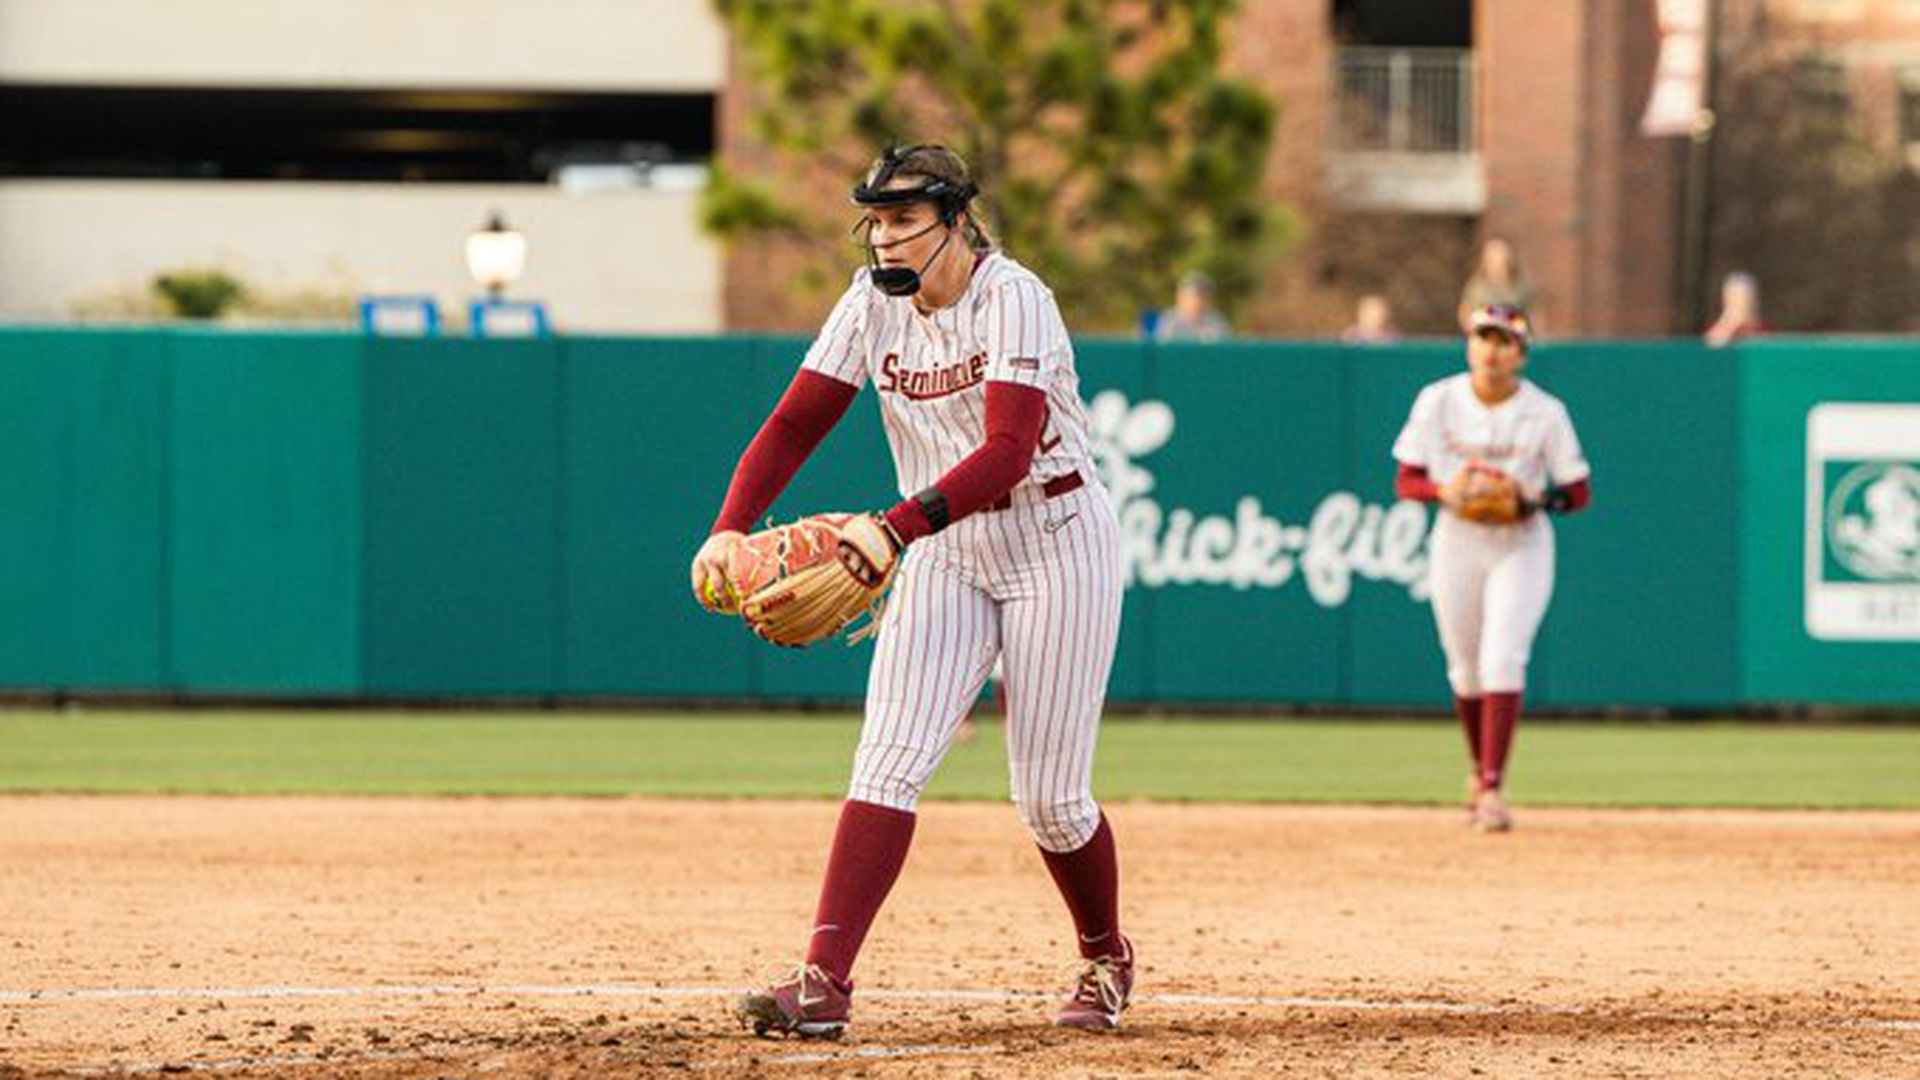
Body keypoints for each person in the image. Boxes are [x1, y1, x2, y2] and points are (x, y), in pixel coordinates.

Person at [689, 144, 1133, 1036]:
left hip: (1055, 541)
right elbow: (794, 422)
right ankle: (823, 981)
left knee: (1048, 797)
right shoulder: (867, 305)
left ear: (959, 224)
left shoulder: (1017, 299)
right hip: (945, 551)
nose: (885, 241)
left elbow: (1007, 453)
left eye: (904, 222)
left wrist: (891, 529)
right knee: (886, 760)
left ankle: (1104, 954)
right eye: (877, 223)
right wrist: (729, 525)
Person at [1390, 304, 1592, 832]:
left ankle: (1492, 788)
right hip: (1456, 539)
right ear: (1469, 343)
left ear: (1521, 354)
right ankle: (1480, 776)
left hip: (1520, 543)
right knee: (1464, 666)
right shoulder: (1438, 401)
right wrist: (1442, 490)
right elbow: (1406, 480)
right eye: (1484, 337)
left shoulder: (1544, 412)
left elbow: (1578, 491)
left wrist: (1535, 499)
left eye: (1504, 340)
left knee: (1503, 657)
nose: (1492, 349)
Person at [1456, 237, 1537, 332]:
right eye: (1492, 255)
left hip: (1515, 338)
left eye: (1500, 253)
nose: (1497, 258)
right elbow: (1465, 312)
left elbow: (1533, 313)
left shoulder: (1521, 284)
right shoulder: (1476, 286)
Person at [1153, 270, 1231, 342]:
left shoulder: (1216, 320)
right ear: (1180, 297)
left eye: (1204, 296)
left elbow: (1224, 348)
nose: (1199, 301)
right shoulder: (1170, 320)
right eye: (1194, 296)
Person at [1703, 271, 1771, 347]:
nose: (1741, 307)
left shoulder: (1765, 330)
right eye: (1735, 302)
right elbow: (1709, 348)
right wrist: (1728, 326)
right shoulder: (1719, 331)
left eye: (1746, 301)